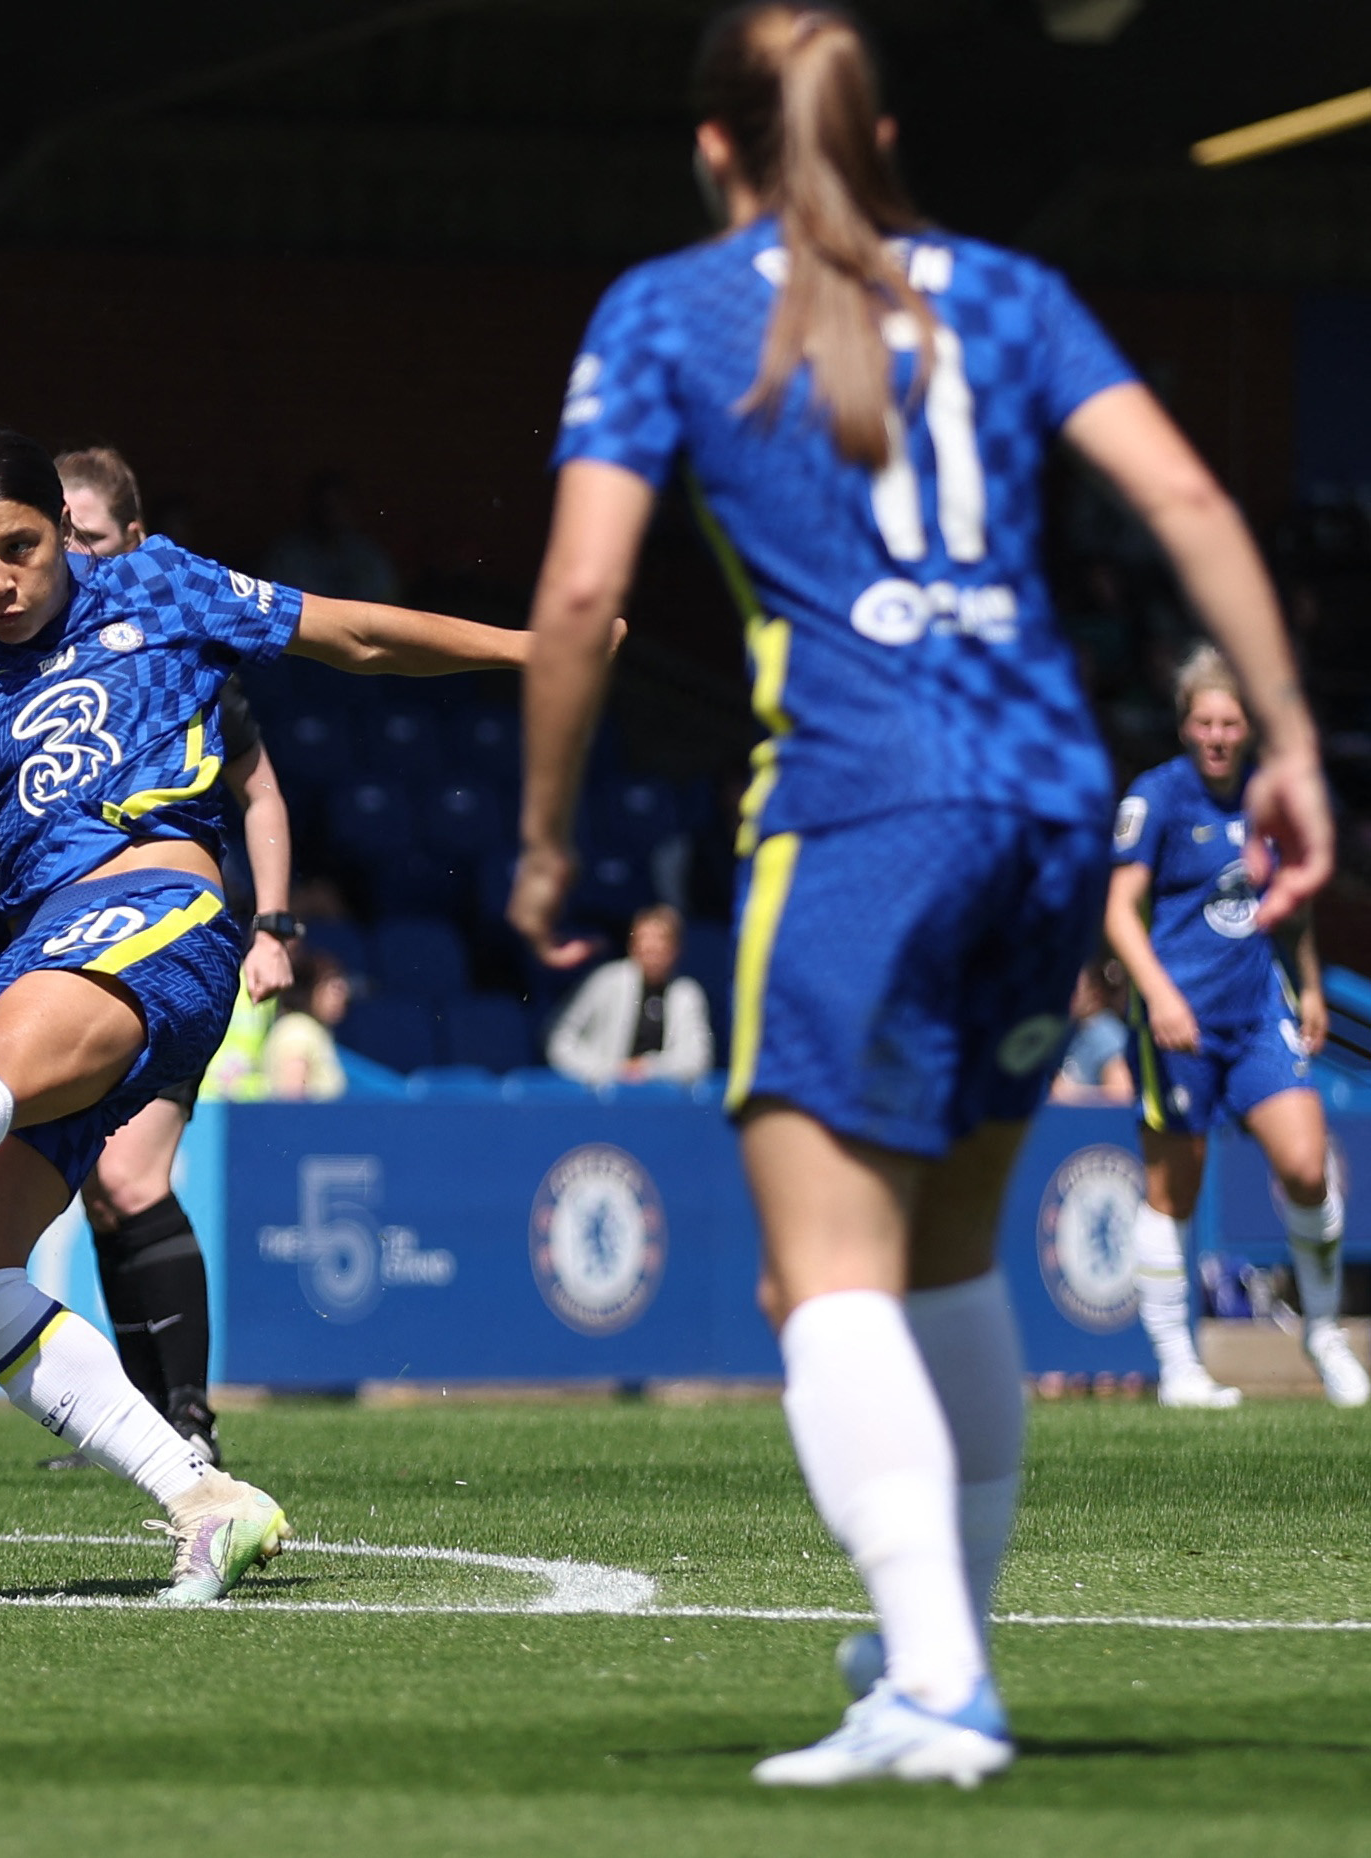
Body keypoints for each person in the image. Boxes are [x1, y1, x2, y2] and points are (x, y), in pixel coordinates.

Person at [506, 4, 1332, 1788]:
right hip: (1048, 799)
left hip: (858, 808)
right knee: (947, 1256)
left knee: (819, 1277)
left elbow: (574, 601)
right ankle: (926, 1648)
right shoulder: (1011, 292)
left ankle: (941, 1684)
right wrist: (1287, 740)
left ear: (712, 149)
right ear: (880, 141)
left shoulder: (666, 308)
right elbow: (1185, 493)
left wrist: (544, 834)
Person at [0, 425, 534, 1603]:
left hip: (161, 920)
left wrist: (536, 650)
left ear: (61, 533)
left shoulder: (158, 585)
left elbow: (358, 633)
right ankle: (205, 1498)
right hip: (46, 948)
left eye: (20, 547)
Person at [0, 445, 302, 1467]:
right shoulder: (16, 670)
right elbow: (9, 803)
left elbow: (261, 794)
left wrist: (274, 924)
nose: (21, 573)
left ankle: (190, 1423)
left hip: (160, 944)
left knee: (130, 1178)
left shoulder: (179, 649)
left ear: (128, 540)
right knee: (97, 1192)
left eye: (78, 537)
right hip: (55, 938)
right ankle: (138, 1424)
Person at [1103, 648, 1362, 1408]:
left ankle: (1322, 1332)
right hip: (1177, 1024)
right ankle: (1176, 1366)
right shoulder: (1156, 799)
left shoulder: (1268, 798)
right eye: (1204, 722)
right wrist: (1160, 997)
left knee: (1307, 1166)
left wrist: (1307, 984)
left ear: (1248, 726)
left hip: (1256, 1015)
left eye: (1229, 723)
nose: (1216, 736)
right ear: (1185, 725)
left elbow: (1293, 901)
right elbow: (1117, 911)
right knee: (1171, 1191)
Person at [543, 903, 715, 1085]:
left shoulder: (687, 993)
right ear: (632, 946)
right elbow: (558, 1039)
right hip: (603, 1095)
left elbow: (698, 1059)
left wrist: (647, 1068)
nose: (652, 948)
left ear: (676, 949)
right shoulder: (606, 981)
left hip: (661, 1097)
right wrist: (602, 1071)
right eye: (644, 940)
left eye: (661, 941)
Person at [259, 955, 353, 1102]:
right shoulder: (297, 1030)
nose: (341, 997)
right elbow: (292, 1098)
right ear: (309, 989)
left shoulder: (311, 1030)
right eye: (333, 987)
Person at [1043, 960, 1132, 1108]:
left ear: (1095, 993)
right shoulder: (1063, 1031)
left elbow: (1121, 1093)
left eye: (1073, 989)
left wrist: (1068, 1094)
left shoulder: (1106, 1033)